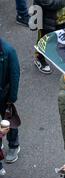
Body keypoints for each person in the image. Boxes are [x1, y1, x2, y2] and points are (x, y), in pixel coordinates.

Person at [33, 0, 65, 74]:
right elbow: (48, 3)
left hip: (64, 18)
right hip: (47, 20)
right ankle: (39, 59)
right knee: (44, 41)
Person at [0, 37, 21, 165]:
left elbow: (15, 75)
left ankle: (13, 145)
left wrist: (12, 97)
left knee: (8, 121)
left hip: (4, 95)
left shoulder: (8, 51)